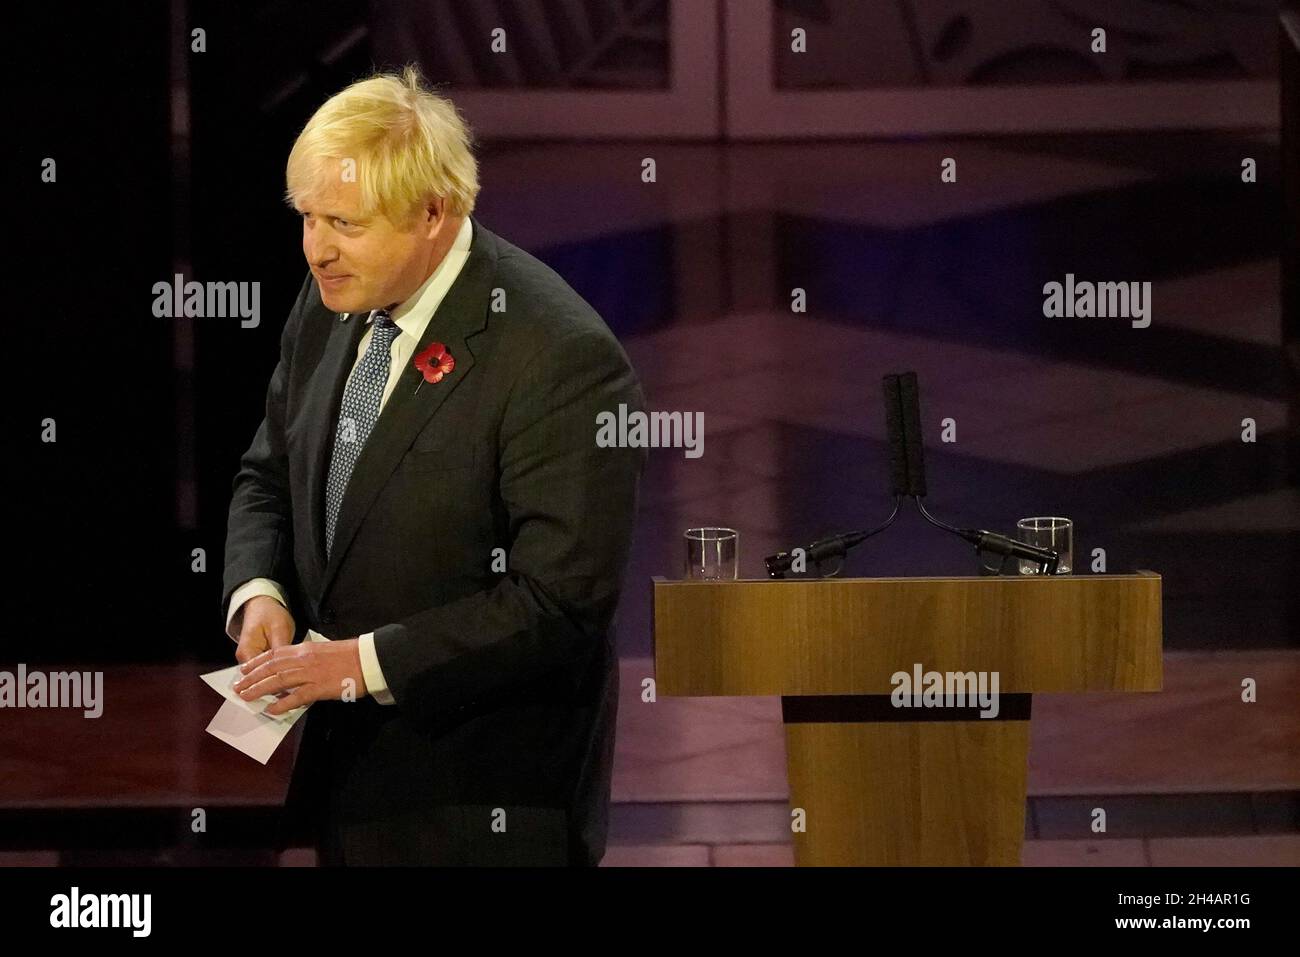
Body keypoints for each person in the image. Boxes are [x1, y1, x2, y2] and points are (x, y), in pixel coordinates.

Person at [221, 65, 646, 866]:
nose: (316, 251)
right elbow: (267, 474)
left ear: (433, 212)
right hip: (349, 783)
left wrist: (359, 664)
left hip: (484, 799)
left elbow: (559, 601)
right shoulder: (330, 301)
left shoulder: (560, 355)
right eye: (307, 219)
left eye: (343, 223)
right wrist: (259, 595)